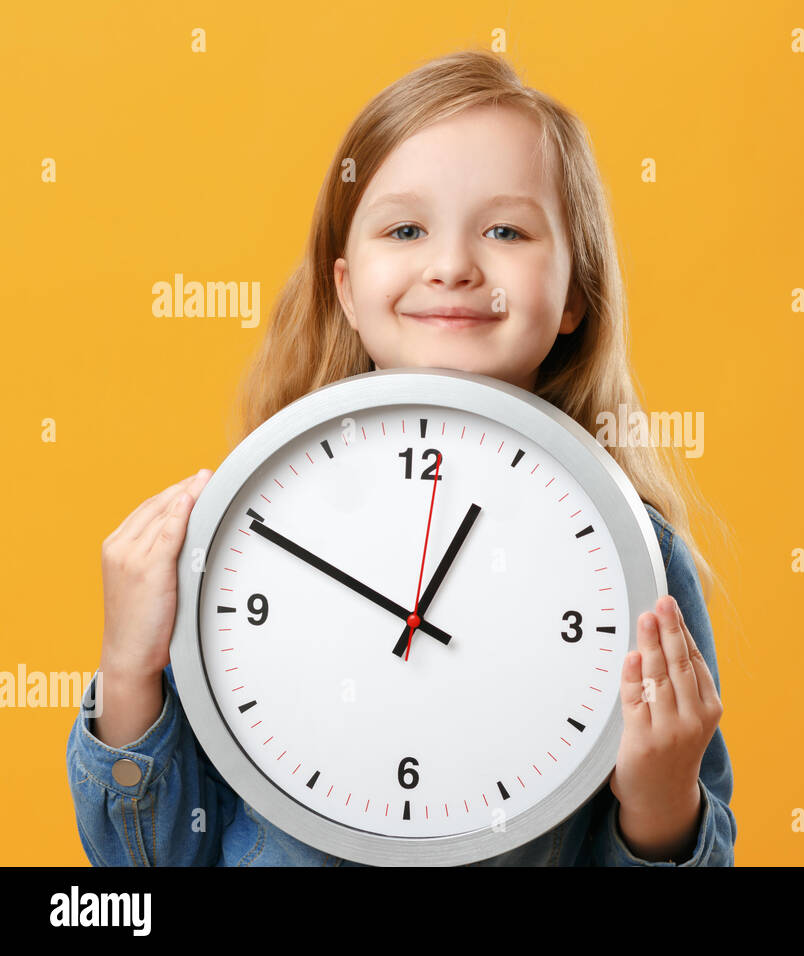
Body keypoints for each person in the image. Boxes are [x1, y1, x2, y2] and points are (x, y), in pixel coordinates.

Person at [66, 49, 736, 866]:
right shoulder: (238, 537)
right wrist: (129, 670)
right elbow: (144, 871)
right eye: (407, 228)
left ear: (573, 296)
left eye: (505, 230)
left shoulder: (640, 560)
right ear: (347, 287)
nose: (452, 265)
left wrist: (663, 796)